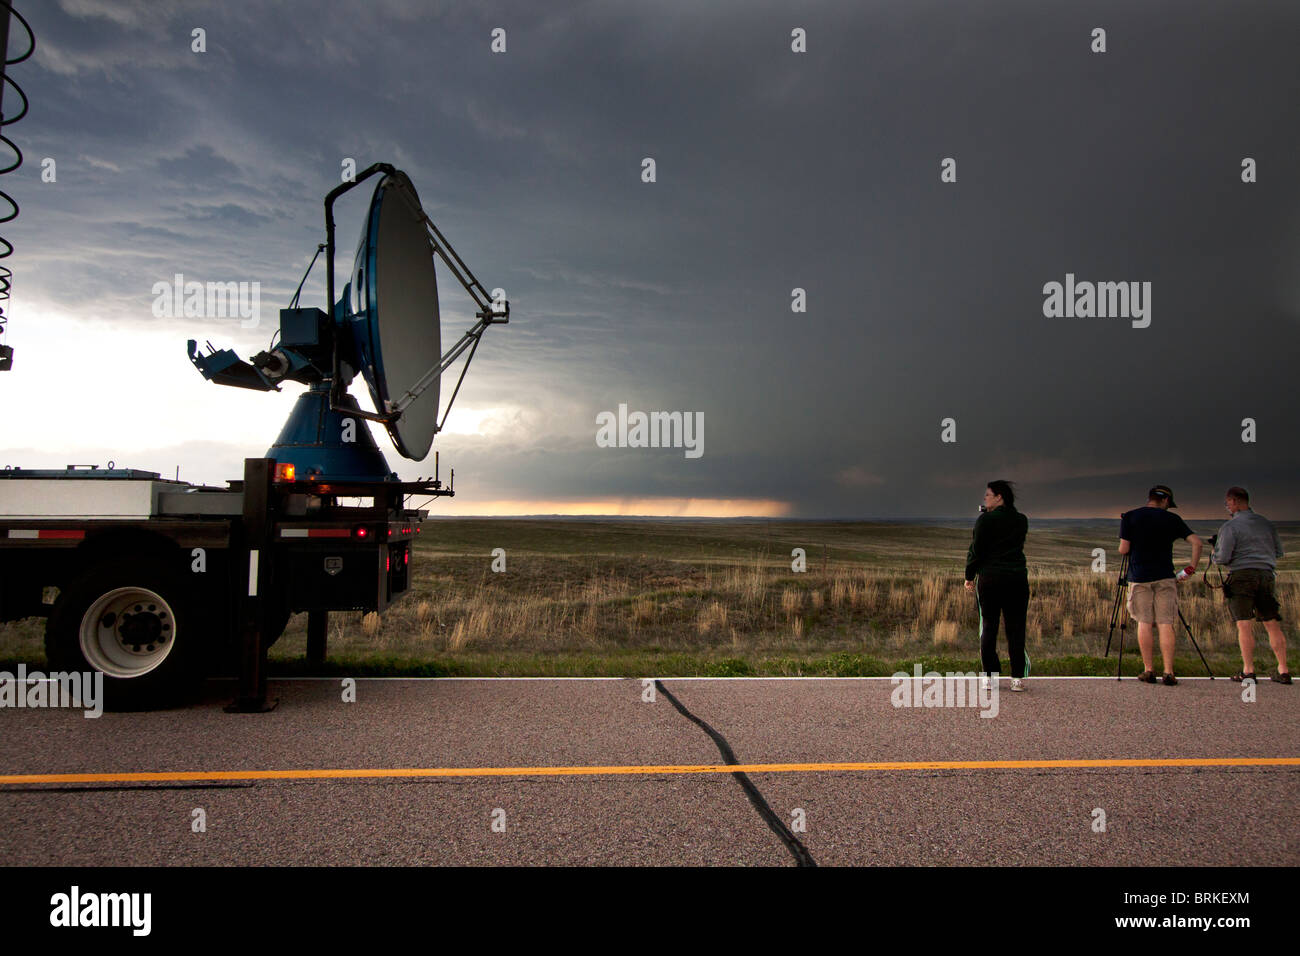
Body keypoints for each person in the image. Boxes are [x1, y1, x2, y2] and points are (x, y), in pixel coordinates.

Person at [1118, 485, 1203, 686]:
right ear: (1165, 501)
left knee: (1144, 622)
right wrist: (1190, 569)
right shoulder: (1172, 519)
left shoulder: (1130, 517)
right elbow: (1197, 543)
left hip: (1139, 577)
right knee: (1166, 622)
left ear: (1150, 498)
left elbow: (1123, 549)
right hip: (1165, 577)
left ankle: (1148, 669)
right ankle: (1169, 672)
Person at [1213, 487, 1291, 684]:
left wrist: (1214, 551)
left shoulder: (1230, 527)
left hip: (1242, 575)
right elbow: (1279, 552)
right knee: (1271, 622)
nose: (1227, 507)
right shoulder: (1266, 524)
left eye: (1227, 503)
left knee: (1244, 623)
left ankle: (1248, 671)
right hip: (1266, 575)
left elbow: (1222, 558)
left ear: (1235, 502)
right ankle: (1283, 670)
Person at [964, 480, 1029, 691]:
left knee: (989, 626)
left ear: (999, 496)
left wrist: (969, 576)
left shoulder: (985, 521)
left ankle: (990, 676)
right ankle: (1017, 677)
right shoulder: (1021, 520)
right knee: (1016, 627)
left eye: (988, 495)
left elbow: (976, 550)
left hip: (991, 579)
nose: (985, 499)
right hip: (1017, 579)